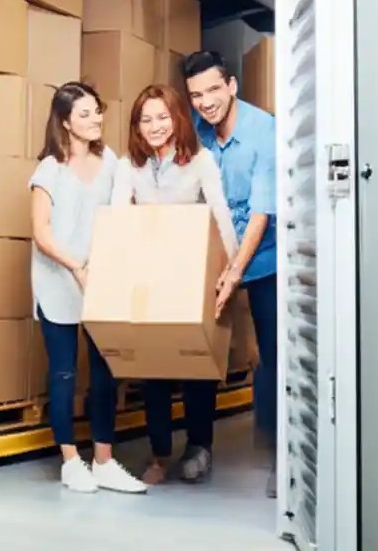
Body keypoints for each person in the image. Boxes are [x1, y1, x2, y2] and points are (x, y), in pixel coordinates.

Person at [110, 84, 239, 486]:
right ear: (136, 126)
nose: (155, 127)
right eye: (146, 119)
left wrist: (231, 271)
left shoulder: (199, 160)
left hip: (191, 271)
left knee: (197, 365)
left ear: (177, 118)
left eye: (162, 117)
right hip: (150, 274)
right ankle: (159, 453)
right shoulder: (127, 166)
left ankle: (199, 448)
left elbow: (219, 211)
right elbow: (118, 216)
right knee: (155, 369)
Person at [29, 81, 147, 495]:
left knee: (105, 372)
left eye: (98, 111)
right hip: (58, 279)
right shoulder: (49, 169)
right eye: (85, 113)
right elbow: (41, 233)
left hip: (99, 278)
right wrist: (76, 266)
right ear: (64, 122)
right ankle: (70, 461)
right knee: (64, 372)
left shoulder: (110, 160)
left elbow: (122, 212)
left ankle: (103, 460)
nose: (96, 118)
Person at [182, 50, 279, 497]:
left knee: (275, 354)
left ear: (233, 85)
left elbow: (262, 210)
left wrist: (236, 271)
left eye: (213, 90)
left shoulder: (264, 131)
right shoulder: (195, 133)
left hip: (263, 258)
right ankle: (198, 445)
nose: (205, 102)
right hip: (211, 258)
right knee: (199, 350)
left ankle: (284, 454)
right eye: (196, 94)